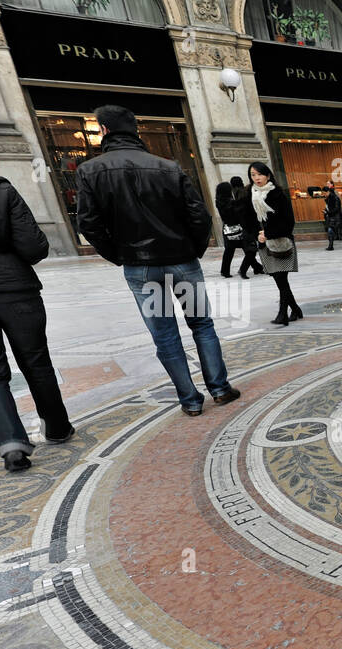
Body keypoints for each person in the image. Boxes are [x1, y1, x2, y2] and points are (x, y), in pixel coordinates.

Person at [76, 105, 238, 417]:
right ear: (134, 130)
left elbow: (89, 224)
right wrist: (193, 249)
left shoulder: (90, 171)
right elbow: (199, 216)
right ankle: (219, 389)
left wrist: (120, 254)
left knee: (165, 335)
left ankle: (190, 400)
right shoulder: (168, 167)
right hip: (181, 261)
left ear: (104, 130)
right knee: (202, 325)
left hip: (140, 267)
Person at [0, 175, 73, 472]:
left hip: (12, 287)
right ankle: (57, 428)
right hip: (16, 288)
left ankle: (11, 445)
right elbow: (34, 247)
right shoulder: (1, 190)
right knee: (36, 361)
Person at [244, 160, 303, 327]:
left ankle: (283, 313)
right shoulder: (251, 195)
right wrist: (258, 235)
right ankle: (296, 309)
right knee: (278, 278)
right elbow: (249, 219)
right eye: (253, 175)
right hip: (264, 243)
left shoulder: (278, 194)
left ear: (268, 175)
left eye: (260, 174)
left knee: (281, 277)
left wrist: (268, 234)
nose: (256, 178)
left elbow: (288, 221)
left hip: (280, 242)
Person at [215, 179, 260, 278]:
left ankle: (225, 270)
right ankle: (248, 269)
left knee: (229, 250)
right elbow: (237, 213)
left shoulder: (218, 202)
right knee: (249, 248)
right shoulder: (230, 203)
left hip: (227, 229)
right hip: (237, 228)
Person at [322, 180, 342, 251]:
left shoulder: (335, 197)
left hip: (337, 218)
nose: (324, 194)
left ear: (328, 192)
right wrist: (326, 211)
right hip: (331, 218)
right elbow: (329, 207)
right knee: (330, 231)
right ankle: (330, 246)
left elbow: (337, 208)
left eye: (324, 193)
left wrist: (328, 212)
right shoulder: (328, 198)